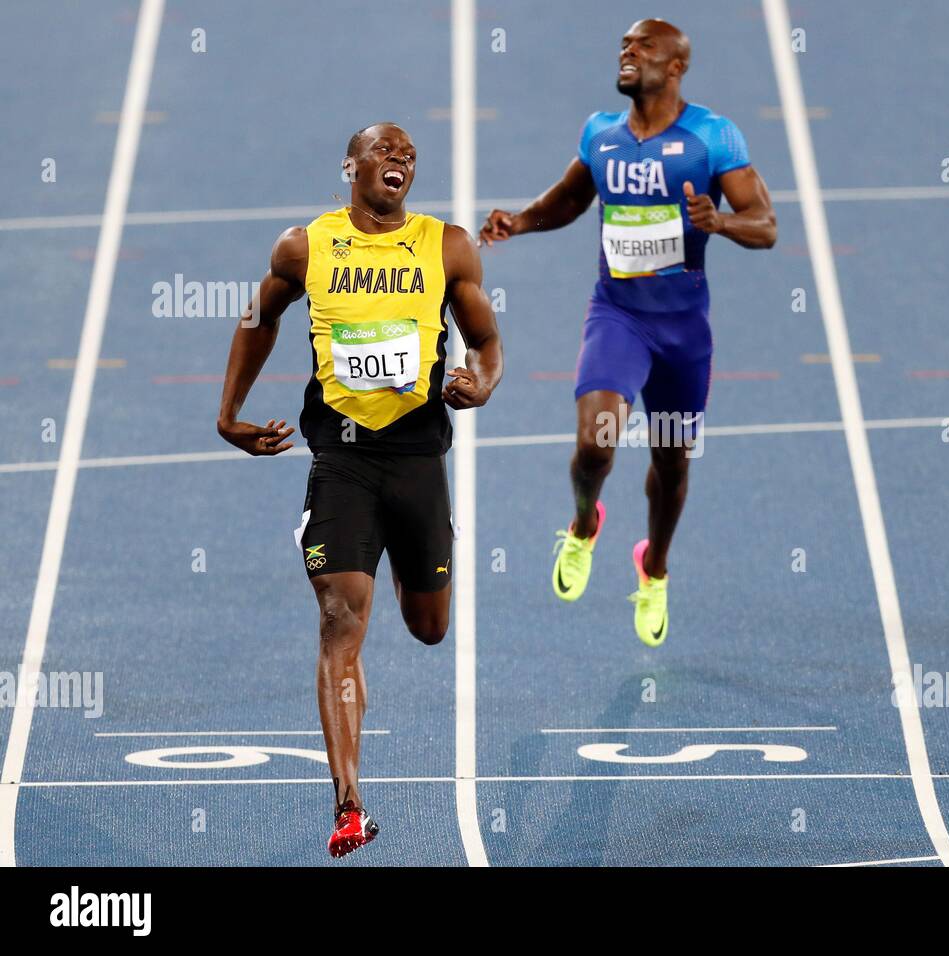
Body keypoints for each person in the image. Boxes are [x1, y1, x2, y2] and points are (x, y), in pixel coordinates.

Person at [217, 122, 502, 856]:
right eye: (385, 150)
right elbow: (259, 317)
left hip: (416, 460)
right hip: (338, 460)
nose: (399, 160)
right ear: (350, 165)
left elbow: (487, 340)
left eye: (409, 155)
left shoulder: (448, 246)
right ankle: (348, 803)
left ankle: (421, 556)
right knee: (341, 621)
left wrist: (484, 381)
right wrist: (229, 414)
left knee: (429, 627)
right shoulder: (304, 246)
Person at [479, 18, 776, 646]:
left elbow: (766, 224)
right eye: (623, 45)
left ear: (675, 68)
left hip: (682, 334)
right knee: (596, 444)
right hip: (618, 318)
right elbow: (568, 200)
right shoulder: (601, 135)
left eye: (642, 48)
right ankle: (584, 526)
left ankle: (655, 568)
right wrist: (519, 222)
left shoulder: (712, 137)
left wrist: (719, 224)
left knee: (670, 463)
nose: (627, 53)